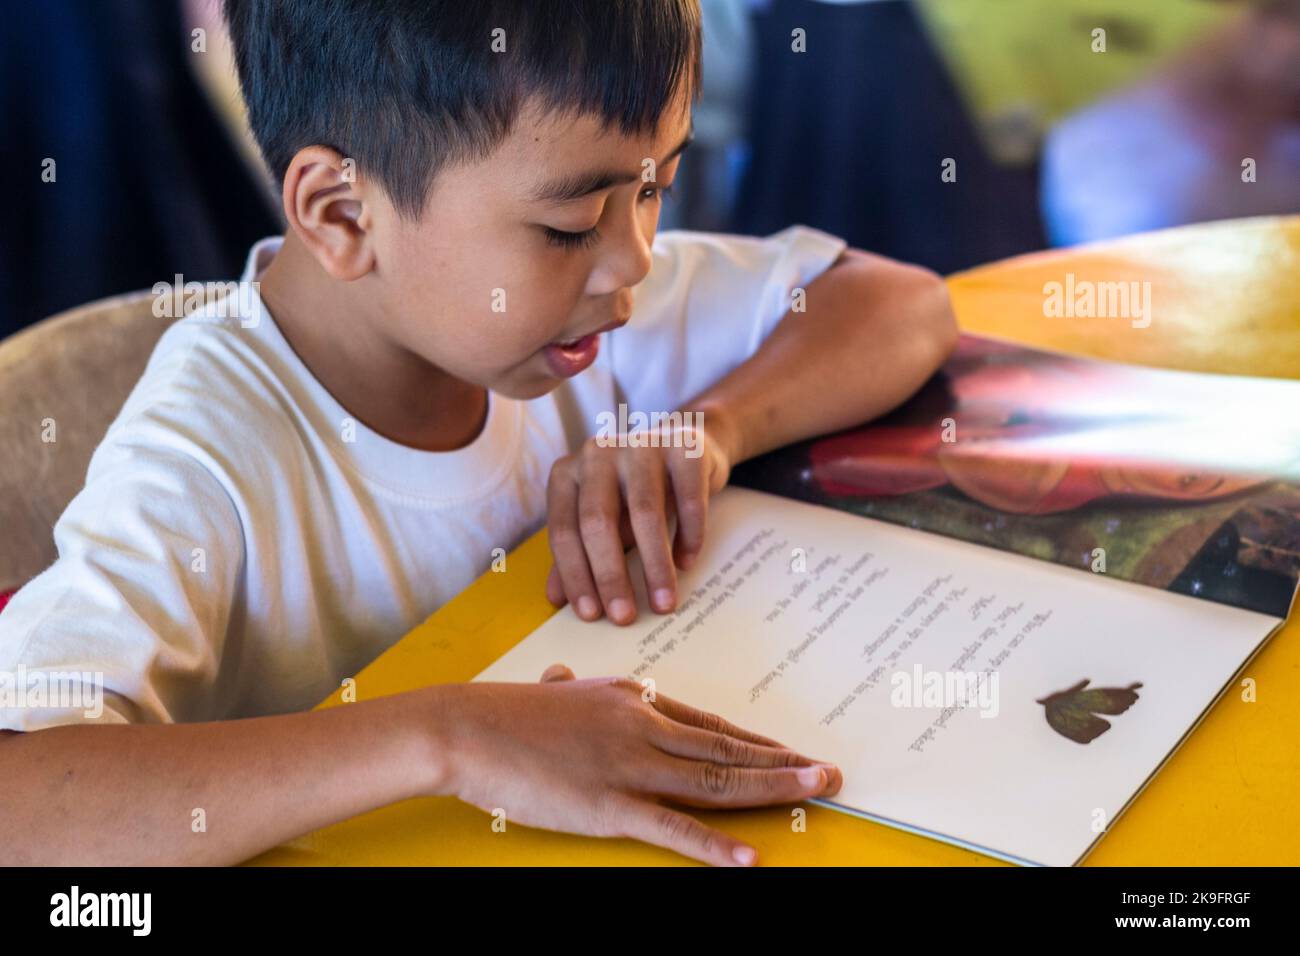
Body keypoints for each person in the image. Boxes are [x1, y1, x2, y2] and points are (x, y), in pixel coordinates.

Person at [0, 0, 957, 867]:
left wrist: (710, 426)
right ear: (341, 214)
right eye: (572, 226)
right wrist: (452, 738)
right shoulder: (206, 448)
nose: (632, 266)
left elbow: (900, 305)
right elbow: (27, 806)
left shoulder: (575, 307)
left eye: (658, 186)